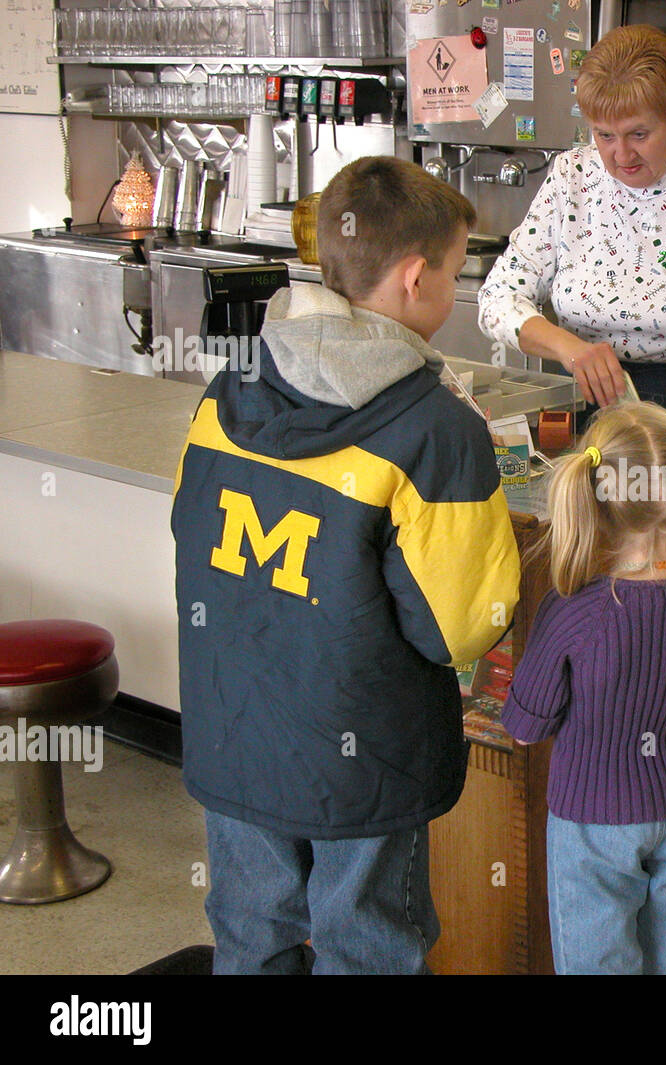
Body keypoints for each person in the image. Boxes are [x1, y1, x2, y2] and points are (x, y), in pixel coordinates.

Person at [171, 156, 521, 974]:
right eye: (454, 267)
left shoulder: (231, 391)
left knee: (253, 932)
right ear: (411, 277)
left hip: (236, 729)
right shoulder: (436, 430)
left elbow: (193, 538)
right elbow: (455, 626)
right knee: (365, 942)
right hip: (366, 759)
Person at [500, 402, 666, 974]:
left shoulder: (575, 612)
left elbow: (525, 727)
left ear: (595, 498)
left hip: (592, 814)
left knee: (597, 961)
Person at [477, 24, 666, 438]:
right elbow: (497, 299)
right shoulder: (572, 178)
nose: (621, 155)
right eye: (604, 135)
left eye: (639, 134)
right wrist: (569, 350)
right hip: (588, 409)